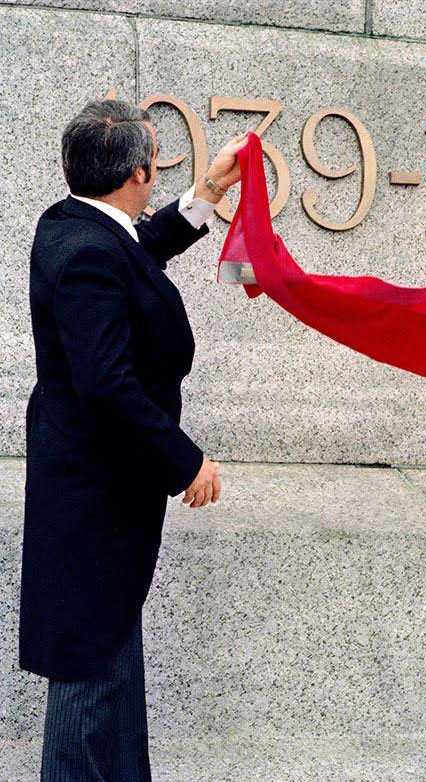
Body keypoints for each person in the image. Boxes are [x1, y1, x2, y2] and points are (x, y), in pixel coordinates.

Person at [20, 99, 247, 781]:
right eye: (159, 161)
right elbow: (108, 386)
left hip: (94, 487)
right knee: (89, 673)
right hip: (95, 493)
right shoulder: (90, 251)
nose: (159, 172)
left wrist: (208, 193)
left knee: (110, 655)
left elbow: (135, 250)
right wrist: (186, 462)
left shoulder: (72, 225)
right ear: (139, 175)